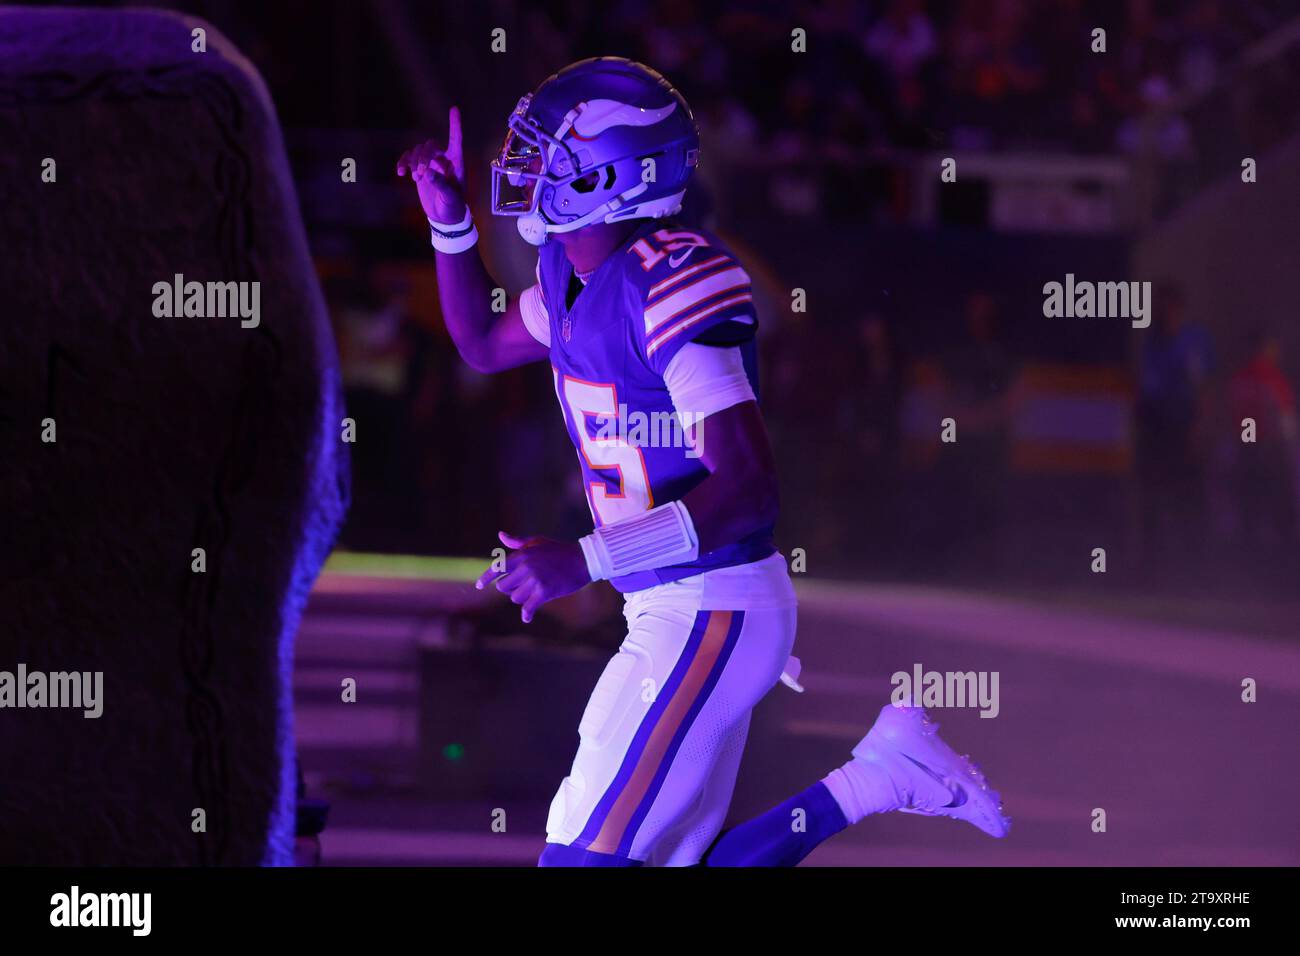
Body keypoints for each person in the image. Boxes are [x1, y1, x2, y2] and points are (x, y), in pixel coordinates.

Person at [397, 57, 1008, 867]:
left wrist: (583, 560)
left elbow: (750, 492)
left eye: (552, 155)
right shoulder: (570, 272)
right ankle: (878, 779)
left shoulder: (671, 284)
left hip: (711, 604)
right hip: (674, 606)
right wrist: (449, 223)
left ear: (611, 177)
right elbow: (479, 344)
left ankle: (881, 778)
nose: (527, 168)